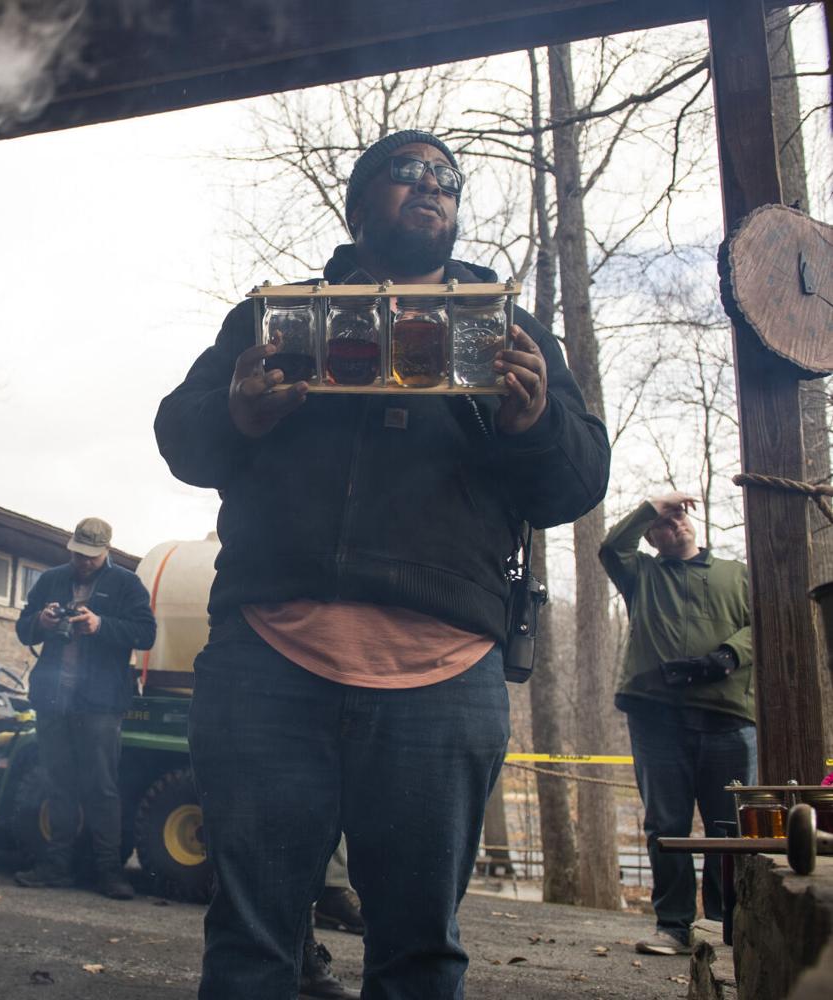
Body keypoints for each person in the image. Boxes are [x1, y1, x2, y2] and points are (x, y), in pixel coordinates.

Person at [155, 129, 611, 999]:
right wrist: (238, 412)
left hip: (444, 675)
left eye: (447, 178)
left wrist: (534, 424)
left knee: (419, 954)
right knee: (251, 941)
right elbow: (181, 435)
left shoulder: (509, 331)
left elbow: (579, 481)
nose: (431, 185)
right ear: (360, 203)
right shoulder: (275, 316)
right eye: (407, 172)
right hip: (268, 661)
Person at [600, 491, 754, 957]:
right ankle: (673, 926)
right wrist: (653, 505)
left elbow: (763, 622)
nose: (676, 525)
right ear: (651, 538)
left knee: (728, 827)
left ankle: (723, 925)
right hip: (657, 717)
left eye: (680, 517)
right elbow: (611, 547)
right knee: (666, 824)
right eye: (664, 524)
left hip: (727, 716)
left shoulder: (736, 573)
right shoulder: (642, 575)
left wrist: (728, 656)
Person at [13, 517, 157, 900]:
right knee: (58, 783)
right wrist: (41, 621)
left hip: (101, 704)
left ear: (106, 550)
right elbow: (23, 629)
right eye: (78, 554)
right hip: (54, 698)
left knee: (102, 788)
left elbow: (146, 633)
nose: (83, 561)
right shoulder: (51, 579)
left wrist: (101, 625)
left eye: (90, 556)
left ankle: (108, 871)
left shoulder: (126, 584)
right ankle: (56, 866)